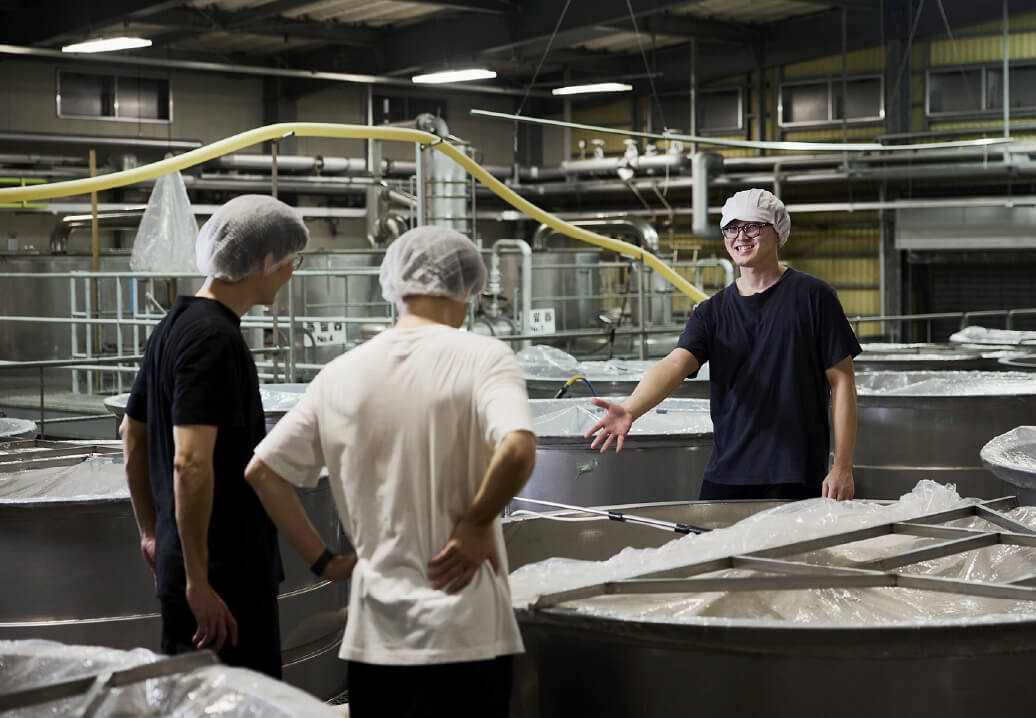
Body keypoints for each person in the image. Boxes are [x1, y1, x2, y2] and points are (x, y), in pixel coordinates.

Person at [245, 225, 536, 718]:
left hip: (378, 638)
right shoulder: (484, 357)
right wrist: (474, 523)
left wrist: (324, 562)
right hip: (467, 630)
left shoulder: (340, 372)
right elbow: (517, 449)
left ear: (395, 287)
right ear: (467, 288)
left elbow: (262, 472)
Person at [120, 194, 314, 677]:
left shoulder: (174, 324)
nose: (292, 272)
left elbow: (131, 436)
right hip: (222, 581)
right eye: (292, 260)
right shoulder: (215, 339)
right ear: (265, 261)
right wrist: (198, 581)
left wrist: (151, 533)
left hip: (187, 565)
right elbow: (190, 463)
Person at [585, 188, 861, 501]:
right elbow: (675, 363)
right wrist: (630, 409)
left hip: (795, 472)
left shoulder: (814, 297)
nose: (740, 236)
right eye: (731, 228)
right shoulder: (711, 312)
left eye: (752, 226)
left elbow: (842, 381)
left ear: (778, 232)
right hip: (728, 472)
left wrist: (842, 466)